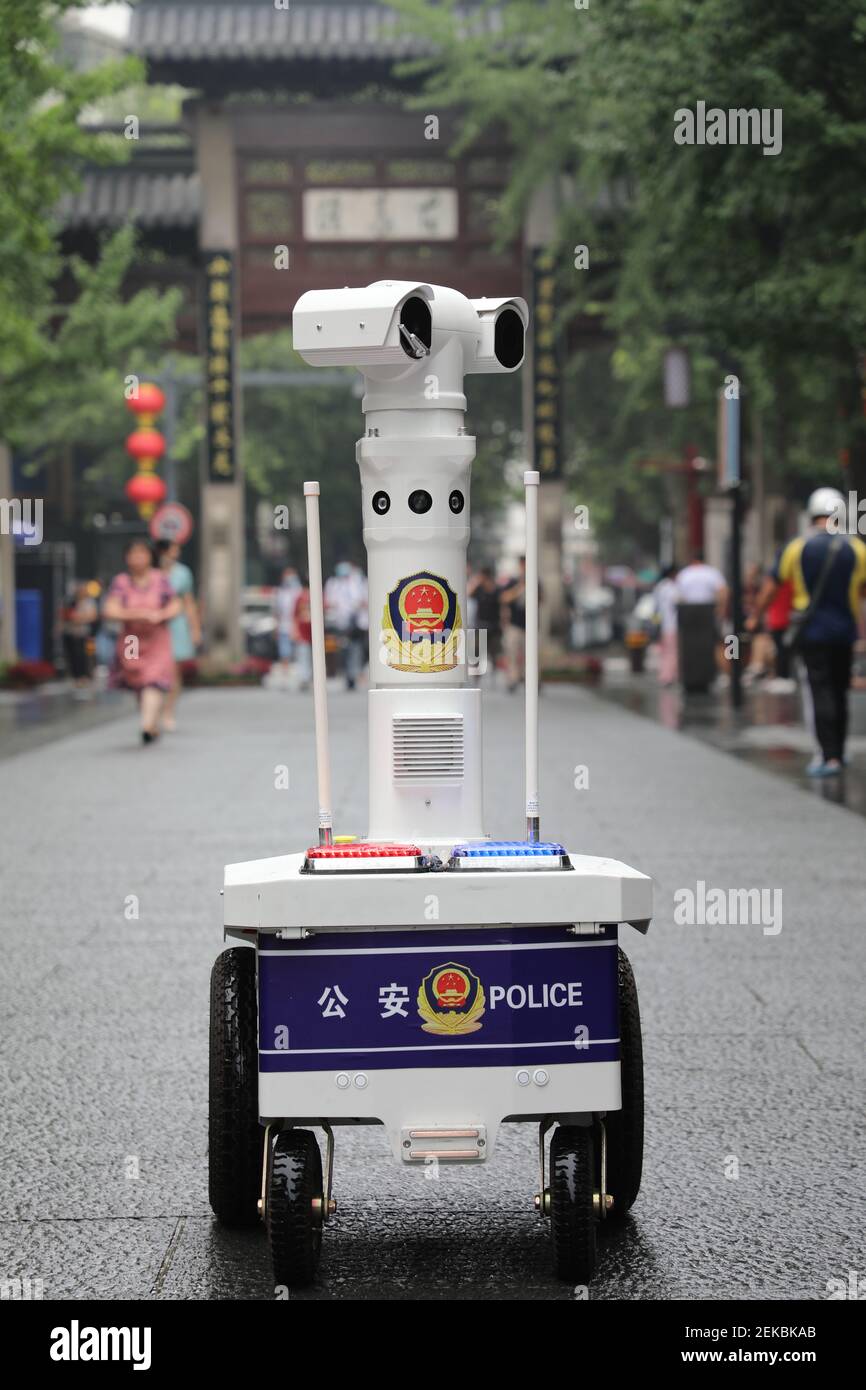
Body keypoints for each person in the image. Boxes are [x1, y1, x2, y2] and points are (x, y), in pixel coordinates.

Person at [748, 487, 866, 776]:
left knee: (820, 691)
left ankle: (828, 757)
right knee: (840, 690)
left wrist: (755, 616)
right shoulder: (858, 548)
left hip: (812, 633)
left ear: (812, 514)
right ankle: (839, 751)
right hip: (844, 631)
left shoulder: (797, 547)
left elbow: (772, 586)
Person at [102, 538, 182, 744]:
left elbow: (175, 604)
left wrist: (161, 615)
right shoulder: (121, 582)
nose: (138, 558)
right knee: (137, 679)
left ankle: (147, 725)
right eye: (133, 554)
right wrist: (138, 614)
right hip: (131, 639)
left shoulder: (160, 579)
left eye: (142, 553)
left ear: (149, 557)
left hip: (156, 638)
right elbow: (110, 609)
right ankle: (151, 720)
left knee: (153, 679)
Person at [154, 539, 201, 731]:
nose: (176, 553)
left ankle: (168, 711)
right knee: (155, 670)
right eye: (173, 549)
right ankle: (154, 710)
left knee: (173, 671)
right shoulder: (152, 571)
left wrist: (195, 628)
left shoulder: (183, 573)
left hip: (177, 625)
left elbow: (188, 601)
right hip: (154, 625)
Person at [324, 560, 368, 690]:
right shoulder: (333, 583)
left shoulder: (358, 583)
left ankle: (353, 674)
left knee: (356, 649)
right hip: (339, 623)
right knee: (342, 649)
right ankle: (346, 673)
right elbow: (328, 602)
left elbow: (364, 600)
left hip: (356, 623)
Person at [58, 582, 98, 690]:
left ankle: (86, 675)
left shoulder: (89, 602)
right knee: (73, 656)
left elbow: (93, 616)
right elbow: (63, 615)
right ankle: (76, 677)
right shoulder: (69, 602)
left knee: (86, 655)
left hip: (84, 634)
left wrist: (79, 618)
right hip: (70, 633)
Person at [467, 566, 502, 681]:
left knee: (493, 652)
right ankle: (476, 675)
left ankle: (493, 673)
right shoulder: (479, 589)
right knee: (477, 651)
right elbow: (468, 593)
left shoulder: (496, 589)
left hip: (494, 626)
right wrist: (476, 582)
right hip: (480, 625)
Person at [500, 558, 528, 693]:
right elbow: (504, 598)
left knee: (530, 655)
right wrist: (519, 588)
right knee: (512, 653)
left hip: (530, 626)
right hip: (514, 624)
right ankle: (513, 679)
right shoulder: (514, 581)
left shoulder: (535, 581)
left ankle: (528, 678)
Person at [652, 564, 679, 686]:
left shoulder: (660, 587)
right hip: (674, 624)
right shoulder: (672, 586)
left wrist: (656, 624)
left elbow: (656, 608)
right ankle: (670, 676)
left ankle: (666, 675)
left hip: (664, 625)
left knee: (666, 652)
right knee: (673, 652)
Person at [273, 566, 301, 682]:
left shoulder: (298, 591)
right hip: (284, 626)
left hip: (298, 627)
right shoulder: (281, 592)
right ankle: (286, 674)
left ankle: (302, 674)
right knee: (285, 651)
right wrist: (277, 627)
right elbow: (277, 611)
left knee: (299, 651)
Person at [292, 574, 313, 692]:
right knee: (303, 655)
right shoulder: (300, 597)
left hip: (312, 631)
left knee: (310, 656)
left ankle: (308, 677)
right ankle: (304, 678)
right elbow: (295, 615)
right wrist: (295, 631)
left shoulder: (316, 595)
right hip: (303, 631)